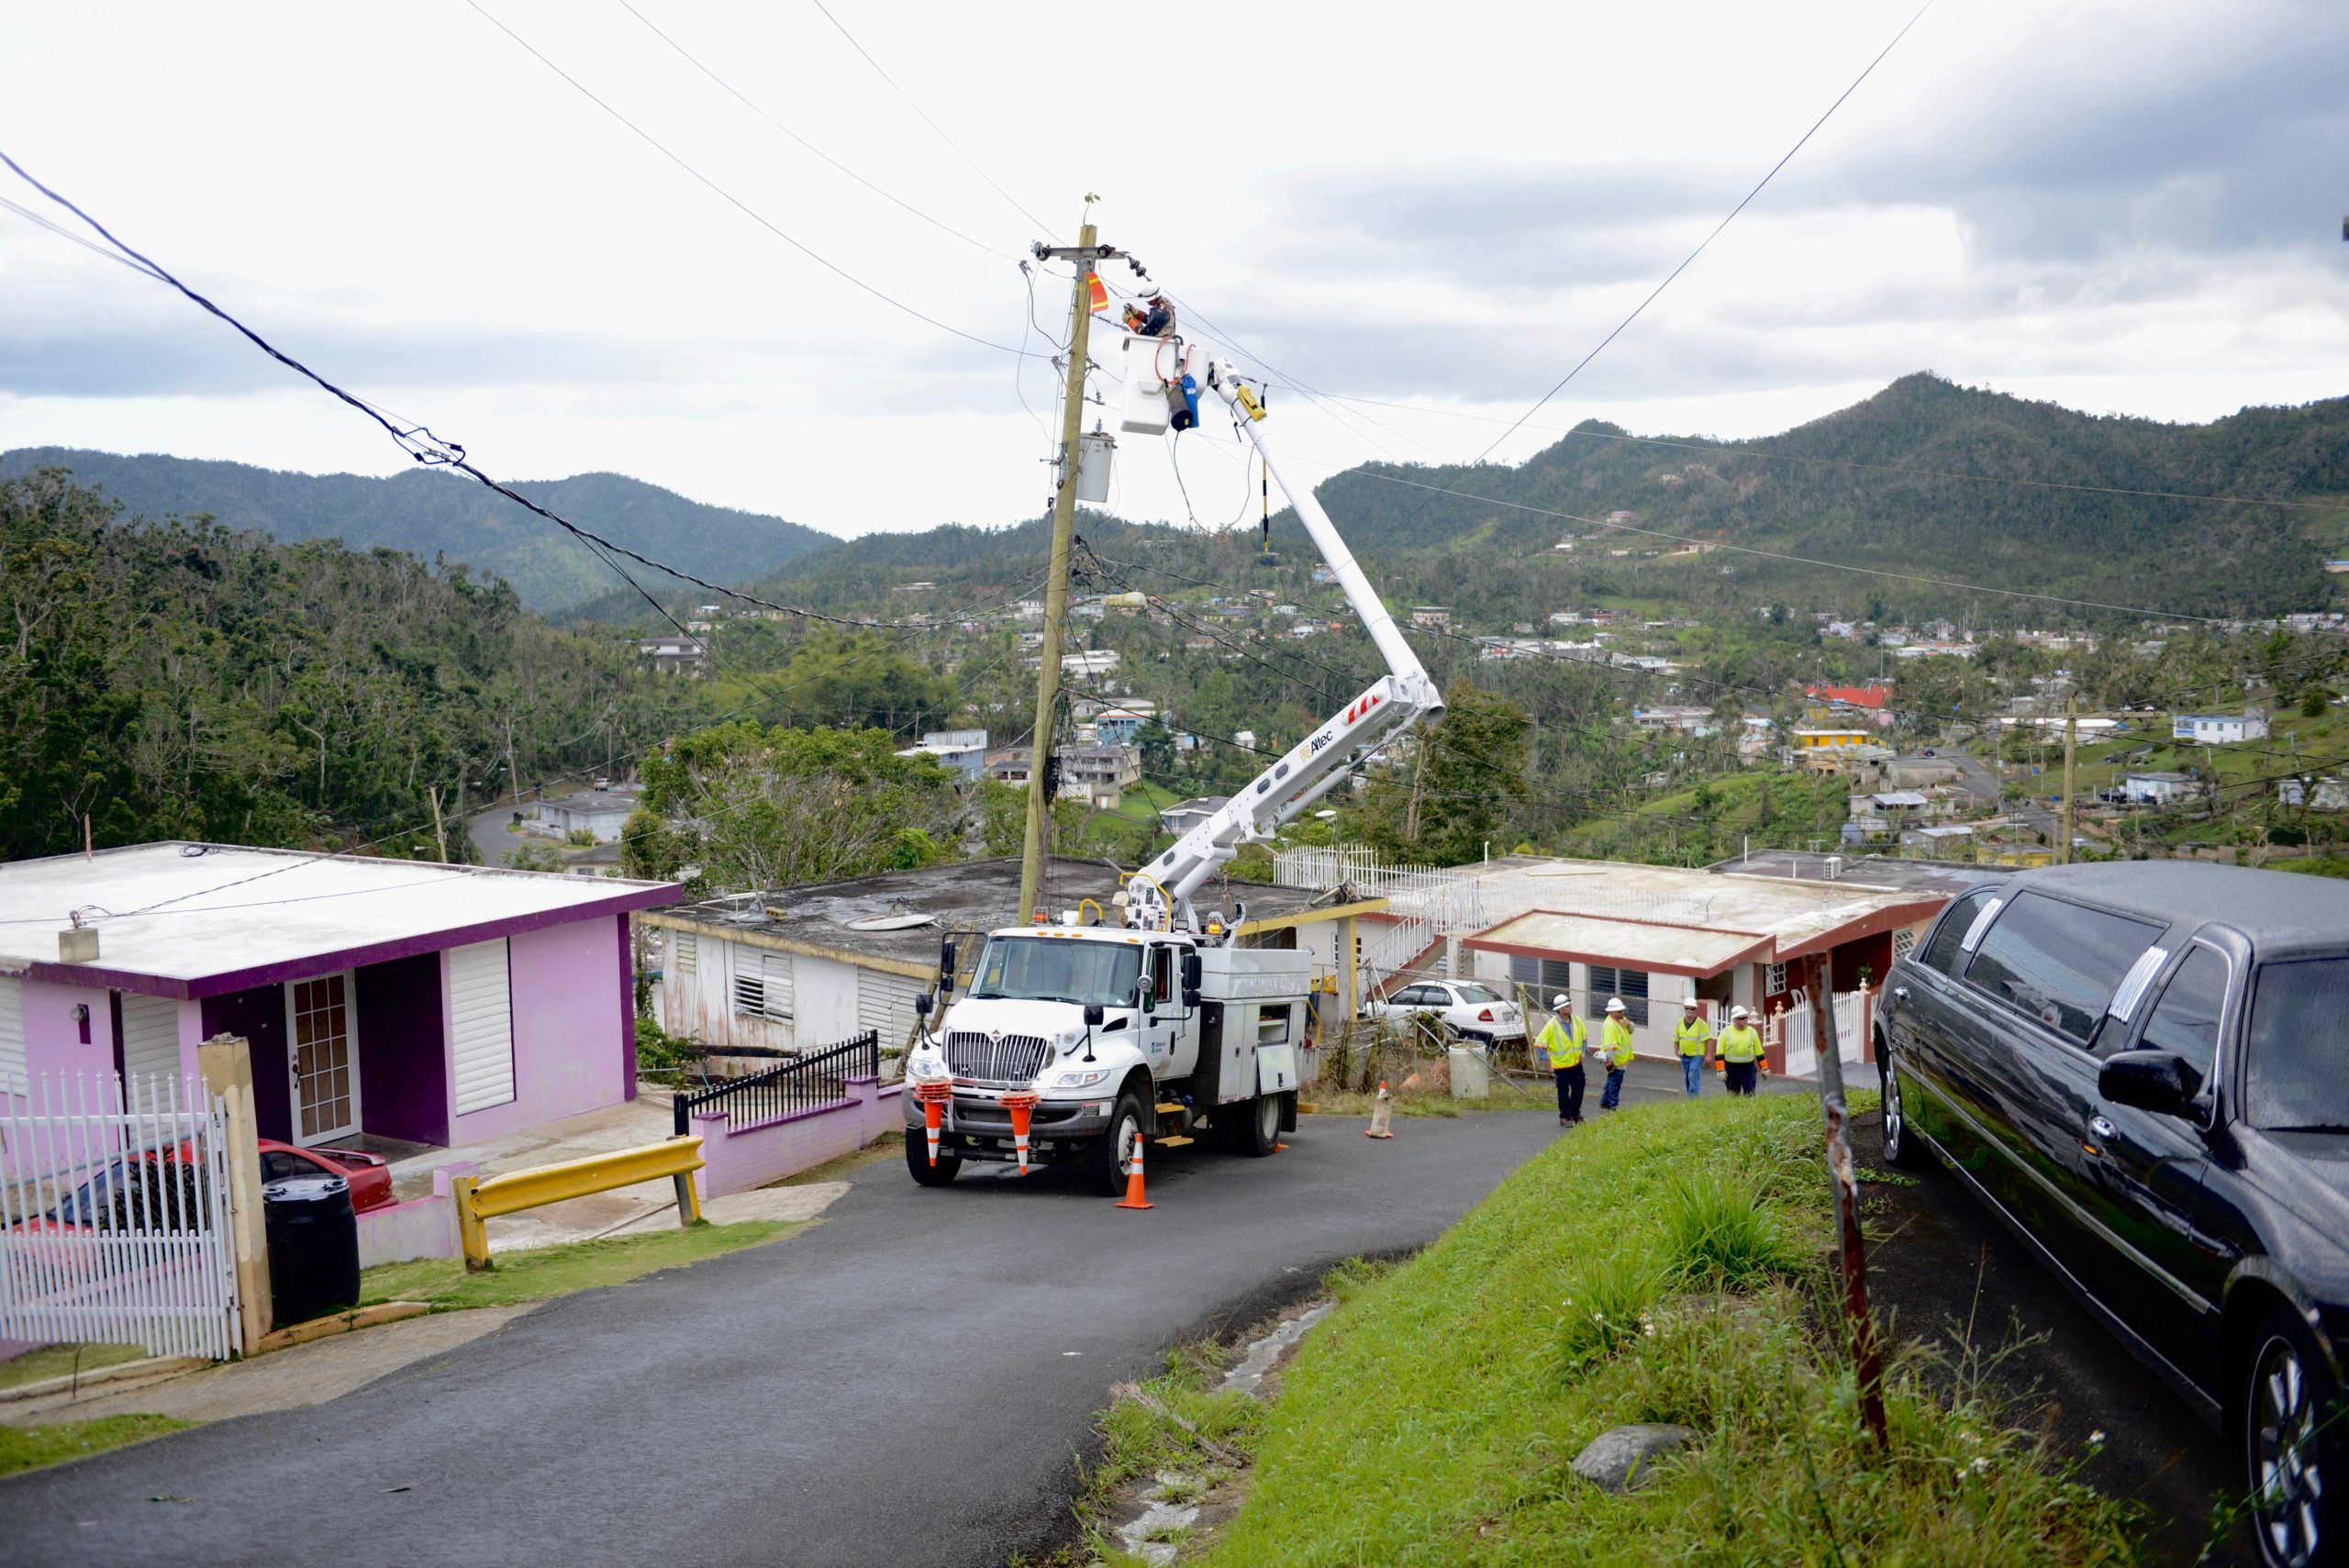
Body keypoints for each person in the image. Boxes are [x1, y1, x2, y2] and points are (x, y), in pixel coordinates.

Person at [1536, 994, 1586, 1127]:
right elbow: (1540, 1044)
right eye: (1567, 1006)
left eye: (1569, 1005)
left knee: (1579, 1089)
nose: (1570, 1007)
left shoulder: (1576, 1020)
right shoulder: (1552, 1025)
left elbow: (1584, 1037)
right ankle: (1565, 1116)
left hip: (1576, 1063)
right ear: (1560, 1009)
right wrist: (1549, 1058)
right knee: (1563, 1092)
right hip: (1561, 1065)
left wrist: (1583, 1050)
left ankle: (1574, 1113)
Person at [1598, 997, 1635, 1111]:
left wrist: (1629, 1024)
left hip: (1620, 1058)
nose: (1622, 1013)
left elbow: (1631, 1030)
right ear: (1612, 1012)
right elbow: (1609, 1045)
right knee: (1615, 1083)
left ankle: (1604, 1102)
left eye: (1622, 1011)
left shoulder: (1620, 1020)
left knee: (1611, 1081)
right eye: (1619, 1011)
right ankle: (1613, 1105)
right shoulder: (1610, 1025)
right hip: (1615, 1060)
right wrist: (1610, 1061)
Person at [1720, 1005, 1765, 1096]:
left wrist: (1765, 1067)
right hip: (1731, 1069)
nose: (1745, 1019)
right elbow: (1719, 1054)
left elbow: (1759, 1052)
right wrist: (1720, 1069)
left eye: (1746, 1017)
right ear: (1735, 1019)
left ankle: (1749, 1111)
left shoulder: (1752, 1032)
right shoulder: (1725, 1032)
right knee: (1733, 1095)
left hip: (1748, 1068)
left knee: (1750, 1093)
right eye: (1742, 1018)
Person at [1673, 999, 1713, 1098]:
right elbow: (1676, 1038)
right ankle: (1691, 1096)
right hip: (1684, 1055)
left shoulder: (1701, 1024)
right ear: (1684, 1009)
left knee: (1692, 1075)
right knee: (1688, 1077)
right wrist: (1676, 1051)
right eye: (1687, 1008)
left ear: (1695, 1010)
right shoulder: (1680, 1022)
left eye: (1692, 1008)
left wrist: (1708, 1055)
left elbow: (1708, 1039)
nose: (1689, 1010)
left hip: (1697, 1055)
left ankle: (1693, 1099)